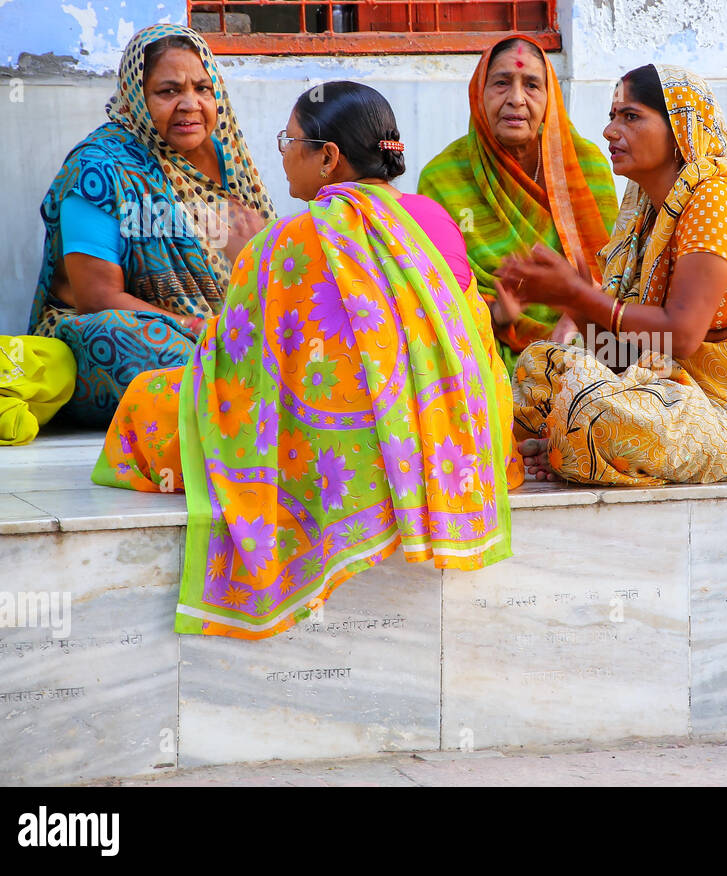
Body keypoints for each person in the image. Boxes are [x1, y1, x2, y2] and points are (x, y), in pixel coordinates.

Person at [92, 82, 523, 639]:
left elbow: (233, 366)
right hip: (447, 438)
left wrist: (245, 255)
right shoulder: (433, 218)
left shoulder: (291, 240)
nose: (283, 153)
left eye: (290, 140)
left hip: (337, 451)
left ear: (327, 157)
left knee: (149, 402)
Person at [502, 64, 727, 486]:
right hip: (673, 392)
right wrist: (571, 300)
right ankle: (565, 444)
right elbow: (618, 353)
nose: (611, 131)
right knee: (538, 367)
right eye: (613, 116)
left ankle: (564, 444)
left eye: (630, 116)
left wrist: (582, 295)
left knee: (591, 408)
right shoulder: (645, 208)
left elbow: (680, 336)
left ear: (679, 127)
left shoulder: (716, 193)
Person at [29, 24, 274, 427]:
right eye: (169, 91)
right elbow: (97, 298)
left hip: (219, 332)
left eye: (203, 88)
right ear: (135, 98)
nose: (190, 104)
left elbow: (258, 261)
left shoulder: (226, 157)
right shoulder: (99, 167)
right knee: (123, 337)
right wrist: (198, 328)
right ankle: (235, 388)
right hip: (123, 335)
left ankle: (240, 381)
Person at [418, 35, 619, 365]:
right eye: (501, 83)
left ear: (549, 95)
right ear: (478, 94)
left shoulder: (586, 166)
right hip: (484, 350)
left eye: (531, 85)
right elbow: (435, 295)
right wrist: (495, 313)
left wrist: (579, 313)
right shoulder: (443, 178)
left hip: (586, 347)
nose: (516, 99)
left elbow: (614, 272)